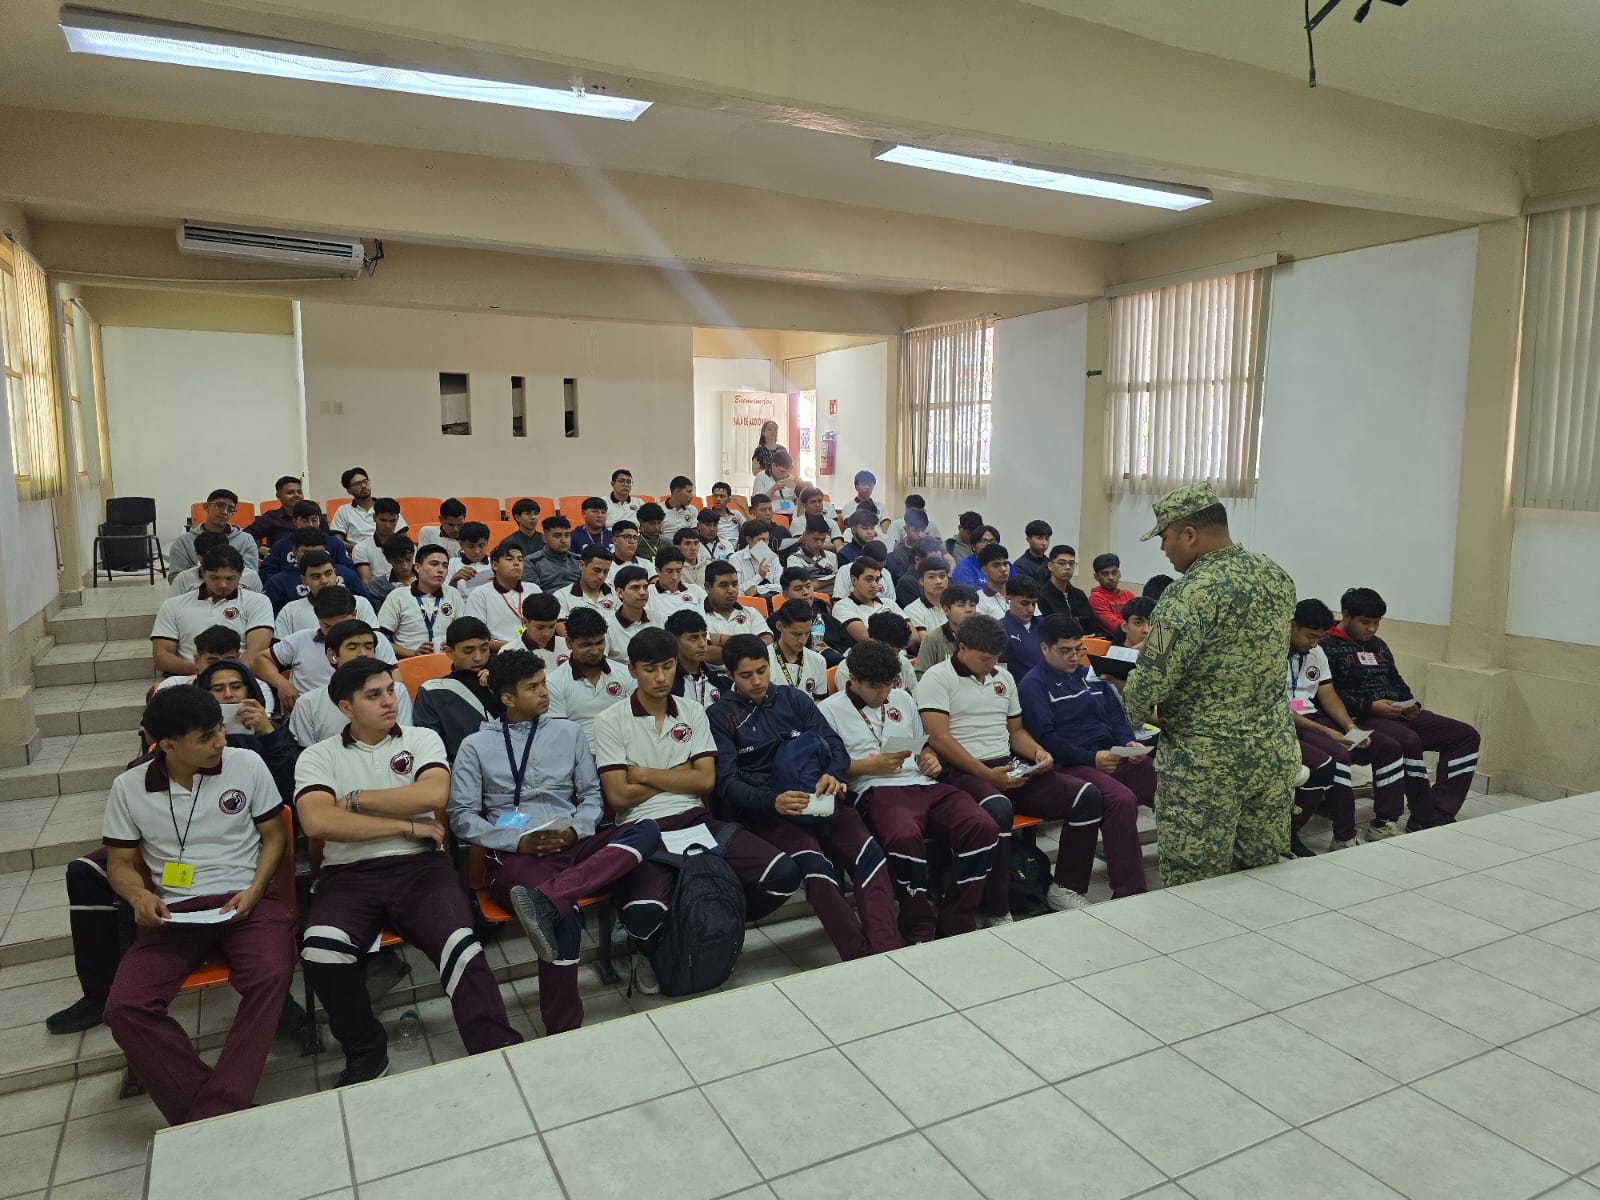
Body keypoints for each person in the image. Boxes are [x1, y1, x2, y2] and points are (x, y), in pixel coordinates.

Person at [296, 658, 520, 1084]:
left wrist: (355, 800)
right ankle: (367, 1052)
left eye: (389, 690)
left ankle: (494, 1045)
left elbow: (434, 791)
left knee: (461, 944)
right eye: (373, 695)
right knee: (321, 952)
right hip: (349, 876)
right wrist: (406, 823)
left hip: (420, 869)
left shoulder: (421, 738)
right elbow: (318, 822)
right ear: (346, 707)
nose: (388, 701)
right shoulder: (317, 756)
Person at [100, 686, 295, 1124]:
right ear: (167, 745)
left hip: (246, 898)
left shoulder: (246, 764)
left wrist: (257, 887)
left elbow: (274, 836)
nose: (221, 743)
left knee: (271, 973)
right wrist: (139, 895)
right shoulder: (129, 787)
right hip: (175, 911)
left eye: (220, 731)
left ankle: (212, 1110)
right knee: (125, 1006)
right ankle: (210, 1109)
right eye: (206, 738)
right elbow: (119, 864)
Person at [449, 652, 661, 1033]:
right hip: (518, 851)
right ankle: (564, 1029)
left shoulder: (569, 732)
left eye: (544, 683)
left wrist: (575, 830)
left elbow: (593, 797)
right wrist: (518, 840)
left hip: (571, 839)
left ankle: (553, 895)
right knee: (563, 916)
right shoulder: (476, 746)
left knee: (646, 830)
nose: (545, 692)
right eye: (533, 687)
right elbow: (462, 816)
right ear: (508, 698)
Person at [592, 629, 801, 993]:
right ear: (631, 669)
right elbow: (619, 795)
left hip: (695, 818)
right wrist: (678, 775)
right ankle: (649, 948)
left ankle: (715, 924)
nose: (661, 678)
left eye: (668, 667)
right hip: (642, 826)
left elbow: (705, 782)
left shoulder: (692, 711)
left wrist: (644, 773)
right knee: (644, 911)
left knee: (782, 874)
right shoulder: (610, 720)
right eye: (650, 669)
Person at [1121, 483, 1299, 887]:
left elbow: (1151, 677)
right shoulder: (1276, 576)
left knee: (1195, 888)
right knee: (1261, 875)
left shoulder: (1184, 596)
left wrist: (1133, 708)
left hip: (1205, 768)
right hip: (1272, 754)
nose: (1164, 549)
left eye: (1164, 538)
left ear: (1189, 534)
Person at [709, 636, 900, 961]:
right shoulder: (719, 716)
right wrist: (773, 801)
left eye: (761, 671)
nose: (757, 681)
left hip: (822, 795)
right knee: (818, 871)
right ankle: (859, 958)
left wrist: (833, 775)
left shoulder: (793, 699)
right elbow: (726, 783)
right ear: (729, 674)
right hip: (771, 810)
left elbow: (834, 746)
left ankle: (887, 952)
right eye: (746, 675)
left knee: (870, 856)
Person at [919, 615, 1109, 922]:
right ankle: (998, 908)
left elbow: (1016, 732)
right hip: (963, 771)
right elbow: (939, 738)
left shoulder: (1003, 678)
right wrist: (986, 775)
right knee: (999, 809)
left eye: (996, 658)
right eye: (984, 658)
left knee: (1087, 797)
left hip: (1006, 765)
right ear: (962, 648)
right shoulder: (937, 678)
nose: (990, 665)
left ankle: (1064, 888)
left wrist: (1038, 752)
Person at [820, 640, 997, 943]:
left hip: (924, 784)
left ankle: (956, 915)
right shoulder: (827, 710)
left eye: (888, 685)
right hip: (876, 789)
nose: (884, 693)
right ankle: (917, 924)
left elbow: (921, 745)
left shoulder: (901, 697)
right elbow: (829, 768)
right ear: (853, 680)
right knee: (903, 836)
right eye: (875, 687)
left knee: (983, 826)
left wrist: (929, 757)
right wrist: (872, 765)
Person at [1323, 586, 1481, 832]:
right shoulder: (1326, 646)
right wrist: (1371, 706)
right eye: (1365, 622)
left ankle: (1442, 809)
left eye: (1377, 622)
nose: (1372, 629)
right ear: (1346, 615)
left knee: (1465, 735)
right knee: (1408, 740)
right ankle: (1421, 813)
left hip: (1397, 713)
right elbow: (1328, 694)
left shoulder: (1378, 645)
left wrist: (1411, 704)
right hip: (1363, 718)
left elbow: (1395, 680)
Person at [1017, 615, 1152, 898]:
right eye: (1065, 651)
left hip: (1110, 753)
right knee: (1121, 800)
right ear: (1045, 649)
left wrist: (1128, 742)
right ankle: (1130, 890)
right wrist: (1093, 759)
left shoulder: (1090, 675)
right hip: (1071, 764)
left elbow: (1116, 719)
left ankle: (1186, 859)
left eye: (1079, 649)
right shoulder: (1034, 685)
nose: (1074, 657)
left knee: (1159, 779)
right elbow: (1047, 739)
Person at [1285, 600, 1368, 854]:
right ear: (1291, 626)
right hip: (1284, 723)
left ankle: (1344, 832)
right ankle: (1341, 834)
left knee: (1355, 746)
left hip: (1310, 717)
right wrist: (1327, 732)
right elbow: (1279, 708)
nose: (1314, 644)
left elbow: (1328, 695)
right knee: (1335, 757)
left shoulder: (1316, 652)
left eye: (1319, 638)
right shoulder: (1269, 653)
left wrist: (1348, 726)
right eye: (1310, 636)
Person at [257, 585, 398, 710]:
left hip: (367, 709)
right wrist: (282, 684)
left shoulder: (372, 640)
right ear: (318, 618)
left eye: (342, 624)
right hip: (310, 711)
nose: (335, 633)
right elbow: (260, 660)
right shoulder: (301, 639)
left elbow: (396, 684)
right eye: (327, 626)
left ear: (355, 614)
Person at [288, 619, 413, 747]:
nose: (363, 654)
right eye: (352, 648)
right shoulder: (308, 704)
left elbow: (403, 742)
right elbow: (307, 756)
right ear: (332, 655)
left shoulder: (397, 691)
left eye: (368, 647)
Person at [152, 547, 274, 677]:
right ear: (203, 572)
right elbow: (161, 657)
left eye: (230, 578)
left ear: (241, 574)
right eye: (215, 578)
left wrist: (231, 676)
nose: (223, 584)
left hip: (241, 678)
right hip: (189, 677)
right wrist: (202, 672)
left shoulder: (258, 601)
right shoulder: (173, 605)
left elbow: (257, 650)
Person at [546, 606, 635, 750]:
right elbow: (559, 737)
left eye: (600, 642)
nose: (595, 651)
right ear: (569, 643)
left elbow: (636, 723)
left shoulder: (625, 673)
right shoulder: (554, 683)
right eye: (586, 645)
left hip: (626, 753)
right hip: (579, 759)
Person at [412, 617, 496, 759]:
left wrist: (500, 683)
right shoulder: (432, 691)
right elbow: (429, 745)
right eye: (468, 651)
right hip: (463, 770)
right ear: (450, 652)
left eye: (484, 649)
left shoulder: (507, 679)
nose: (478, 657)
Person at [376, 544, 458, 656]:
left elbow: (464, 634)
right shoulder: (397, 596)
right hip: (409, 662)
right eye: (434, 564)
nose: (440, 570)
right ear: (417, 568)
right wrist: (413, 653)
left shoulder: (453, 593)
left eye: (445, 566)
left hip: (447, 660)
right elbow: (381, 639)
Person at [271, 551, 378, 634]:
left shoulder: (360, 603)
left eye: (328, 573)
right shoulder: (289, 611)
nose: (324, 581)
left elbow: (374, 644)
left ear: (335, 573)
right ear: (304, 580)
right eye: (316, 576)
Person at [264, 531, 367, 614]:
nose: (313, 556)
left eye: (319, 552)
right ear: (295, 551)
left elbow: (365, 607)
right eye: (307, 552)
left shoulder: (347, 574)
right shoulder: (278, 582)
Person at [462, 541, 540, 649]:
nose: (517, 563)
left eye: (520, 559)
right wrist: (514, 647)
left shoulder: (534, 589)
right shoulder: (480, 594)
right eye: (509, 559)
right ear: (494, 565)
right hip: (500, 654)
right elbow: (475, 637)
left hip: (535, 650)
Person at [170, 488, 261, 573]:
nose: (224, 512)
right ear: (206, 507)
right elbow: (176, 578)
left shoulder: (246, 540)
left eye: (230, 509)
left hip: (237, 589)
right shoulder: (184, 542)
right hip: (195, 589)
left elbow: (251, 576)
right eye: (220, 505)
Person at [260, 502, 357, 581]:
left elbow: (349, 570)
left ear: (319, 521)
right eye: (305, 520)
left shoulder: (335, 543)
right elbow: (267, 572)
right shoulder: (281, 545)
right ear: (295, 522)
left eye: (314, 520)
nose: (310, 524)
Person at [831, 612, 918, 697]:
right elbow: (851, 706)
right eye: (894, 651)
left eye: (899, 651)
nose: (896, 656)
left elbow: (914, 697)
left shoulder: (902, 661)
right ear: (873, 641)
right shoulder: (847, 669)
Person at [701, 560, 767, 662]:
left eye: (735, 584)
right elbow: (705, 652)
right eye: (724, 585)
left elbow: (767, 641)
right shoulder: (698, 615)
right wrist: (751, 646)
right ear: (708, 587)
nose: (731, 590)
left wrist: (722, 641)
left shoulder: (751, 613)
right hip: (714, 675)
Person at [834, 559, 906, 646]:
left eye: (877, 580)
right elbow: (868, 640)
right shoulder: (843, 606)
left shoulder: (889, 603)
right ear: (854, 580)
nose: (875, 585)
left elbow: (913, 636)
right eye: (869, 580)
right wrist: (899, 640)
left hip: (903, 657)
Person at [169, 531, 265, 595]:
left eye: (230, 578)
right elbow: (172, 611)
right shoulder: (184, 579)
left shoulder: (250, 576)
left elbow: (259, 607)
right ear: (198, 556)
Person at [914, 584, 979, 679]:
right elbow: (920, 674)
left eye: (972, 605)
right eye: (961, 605)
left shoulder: (983, 636)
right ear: (946, 610)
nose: (968, 610)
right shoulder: (933, 639)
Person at [768, 599, 829, 698]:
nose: (803, 640)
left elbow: (820, 703)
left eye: (807, 633)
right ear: (779, 626)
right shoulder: (764, 660)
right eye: (796, 634)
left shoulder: (818, 661)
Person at [665, 609, 728, 707]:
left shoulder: (719, 681)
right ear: (674, 641)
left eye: (704, 636)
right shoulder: (665, 684)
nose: (703, 644)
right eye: (693, 638)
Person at [330, 467, 401, 549]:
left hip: (388, 551)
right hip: (356, 553)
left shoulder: (387, 506)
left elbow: (402, 535)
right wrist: (359, 549)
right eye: (357, 484)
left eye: (365, 482)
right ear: (349, 491)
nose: (363, 486)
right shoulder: (343, 511)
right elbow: (337, 540)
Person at [246, 475, 323, 547]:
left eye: (299, 492)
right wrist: (260, 548)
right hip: (279, 559)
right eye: (290, 492)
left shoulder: (314, 516)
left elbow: (327, 539)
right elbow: (246, 537)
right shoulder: (271, 518)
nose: (297, 495)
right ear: (278, 496)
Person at [502, 593, 568, 673]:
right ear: (525, 622)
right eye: (540, 628)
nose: (547, 633)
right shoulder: (509, 652)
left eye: (551, 626)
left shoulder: (568, 646)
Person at [605, 566, 662, 659]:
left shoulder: (659, 619)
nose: (642, 592)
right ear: (620, 592)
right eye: (635, 588)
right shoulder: (608, 626)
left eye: (645, 587)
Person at [1036, 545, 1096, 625]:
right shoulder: (1042, 596)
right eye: (1062, 563)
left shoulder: (1079, 595)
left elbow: (1090, 623)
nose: (1068, 567)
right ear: (1050, 566)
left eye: (1071, 563)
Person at [644, 547, 706, 624]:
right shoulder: (647, 594)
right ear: (658, 571)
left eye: (678, 571)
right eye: (669, 571)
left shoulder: (695, 590)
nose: (675, 577)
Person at [556, 545, 619, 621]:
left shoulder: (614, 593)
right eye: (596, 570)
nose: (601, 577)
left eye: (605, 572)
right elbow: (562, 629)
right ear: (581, 565)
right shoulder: (562, 596)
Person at [350, 498, 404, 584]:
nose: (388, 526)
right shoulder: (361, 549)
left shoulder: (408, 546)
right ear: (374, 517)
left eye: (392, 521)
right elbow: (367, 582)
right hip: (377, 595)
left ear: (397, 518)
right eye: (383, 520)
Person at [781, 515, 839, 592]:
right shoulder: (793, 559)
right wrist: (829, 581)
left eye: (822, 540)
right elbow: (800, 588)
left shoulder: (832, 556)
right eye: (816, 539)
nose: (819, 544)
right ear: (805, 535)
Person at [998, 576, 1044, 674]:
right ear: (1008, 599)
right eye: (1024, 603)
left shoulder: (1045, 625)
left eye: (1034, 603)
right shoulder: (999, 630)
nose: (1030, 609)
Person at [731, 519, 782, 599]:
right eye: (761, 540)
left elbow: (782, 586)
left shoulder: (773, 557)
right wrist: (759, 576)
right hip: (747, 604)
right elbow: (736, 590)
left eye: (767, 540)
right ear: (748, 539)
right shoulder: (736, 559)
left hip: (770, 601)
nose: (765, 544)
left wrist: (758, 589)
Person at [1088, 553, 1136, 638]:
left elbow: (1141, 621)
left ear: (1119, 574)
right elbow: (1115, 627)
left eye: (1114, 572)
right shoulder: (1096, 598)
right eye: (1105, 574)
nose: (1111, 577)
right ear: (1096, 577)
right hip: (1111, 644)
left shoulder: (1129, 595)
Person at [528, 515, 581, 591]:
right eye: (557, 536)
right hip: (549, 601)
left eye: (567, 535)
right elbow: (534, 595)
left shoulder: (580, 560)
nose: (563, 540)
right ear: (544, 538)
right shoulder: (531, 562)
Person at [901, 556, 949, 634]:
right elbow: (925, 642)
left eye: (942, 576)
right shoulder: (913, 610)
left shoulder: (955, 605)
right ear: (921, 581)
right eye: (931, 577)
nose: (938, 581)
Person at [501, 499, 545, 578]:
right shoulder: (508, 543)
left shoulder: (546, 540)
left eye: (536, 513)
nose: (533, 517)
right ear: (517, 517)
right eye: (528, 514)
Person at [446, 522, 493, 596]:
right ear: (461, 544)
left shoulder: (495, 564)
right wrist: (454, 580)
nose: (477, 551)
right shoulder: (451, 564)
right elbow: (445, 596)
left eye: (481, 546)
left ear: (487, 543)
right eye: (471, 547)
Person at [949, 525, 1002, 590]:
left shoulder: (1004, 565)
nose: (988, 545)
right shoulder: (964, 569)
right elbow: (969, 598)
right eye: (983, 541)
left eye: (992, 541)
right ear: (973, 547)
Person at [365, 534, 414, 603]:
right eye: (398, 562)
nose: (405, 566)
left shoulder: (428, 577)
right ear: (388, 560)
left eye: (408, 560)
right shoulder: (377, 586)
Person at [974, 543, 1013, 620]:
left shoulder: (1019, 593)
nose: (1003, 569)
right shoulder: (978, 599)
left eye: (1005, 564)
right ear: (984, 570)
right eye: (996, 565)